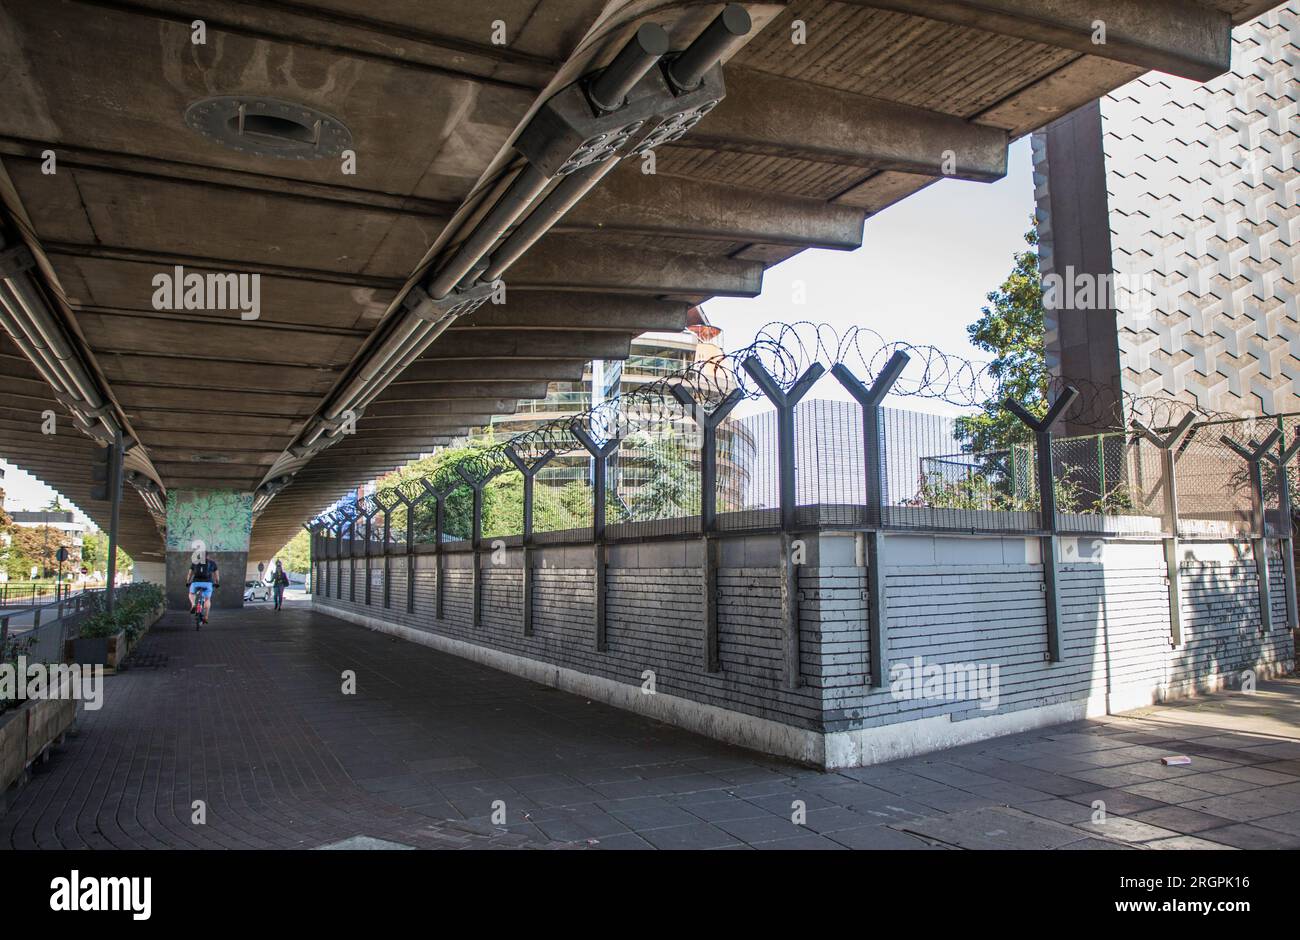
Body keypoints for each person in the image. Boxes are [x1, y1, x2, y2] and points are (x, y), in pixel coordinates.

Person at [187, 556, 220, 624]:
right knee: (207, 599)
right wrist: (217, 583)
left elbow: (190, 573)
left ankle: (193, 605)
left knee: (191, 593)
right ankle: (206, 617)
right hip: (208, 583)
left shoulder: (195, 562)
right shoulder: (212, 563)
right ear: (207, 556)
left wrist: (187, 582)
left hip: (195, 583)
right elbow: (217, 575)